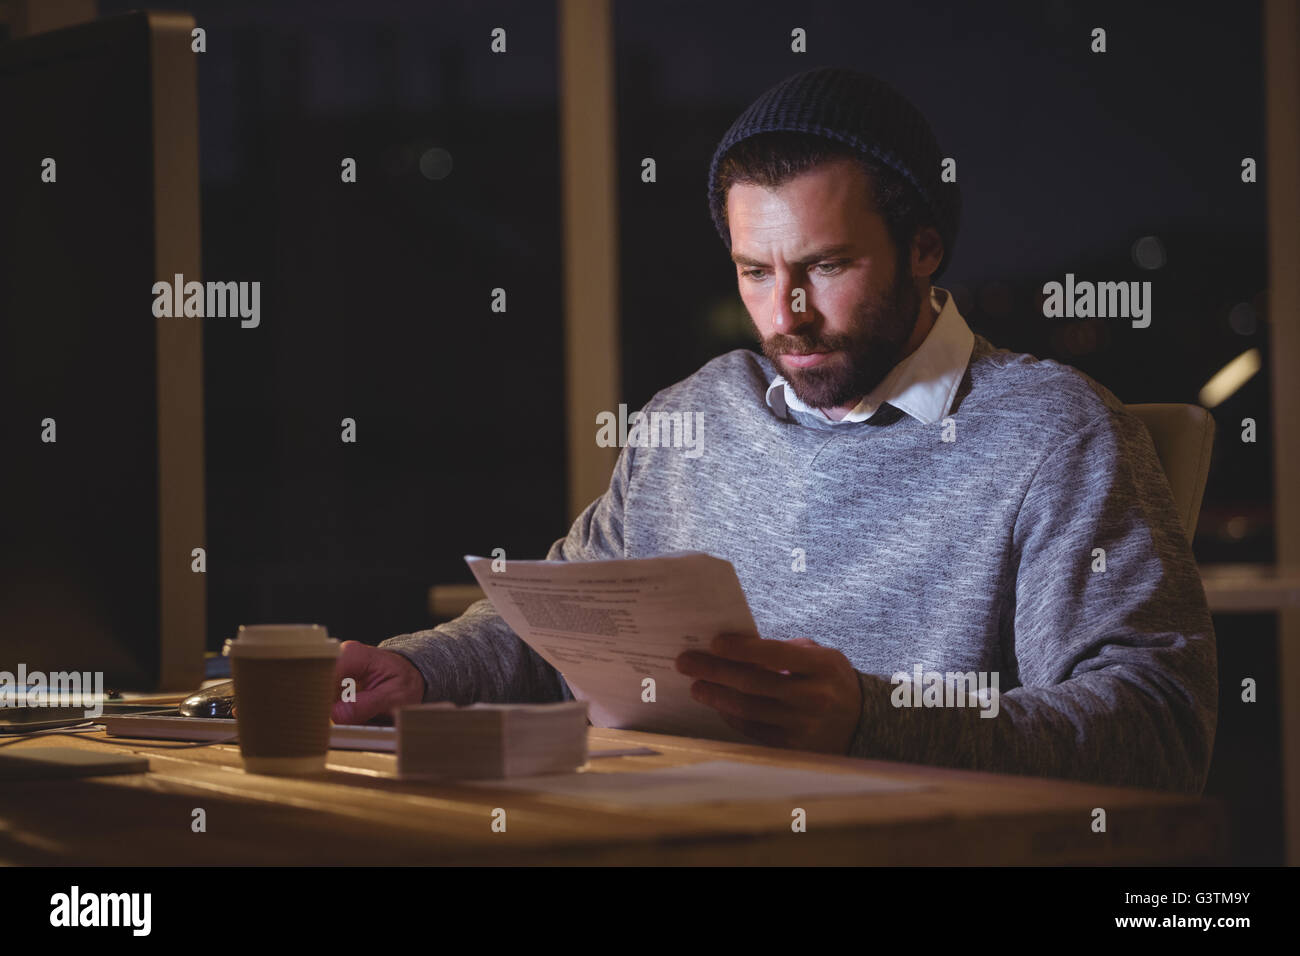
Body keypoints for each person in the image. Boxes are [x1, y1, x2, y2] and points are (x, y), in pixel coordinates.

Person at [334, 67, 1216, 793]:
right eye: (756, 272)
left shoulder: (1052, 431)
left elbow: (1158, 726)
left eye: (826, 265)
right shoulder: (692, 417)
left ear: (924, 247)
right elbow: (558, 618)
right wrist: (420, 673)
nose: (785, 314)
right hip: (664, 836)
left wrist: (871, 721)